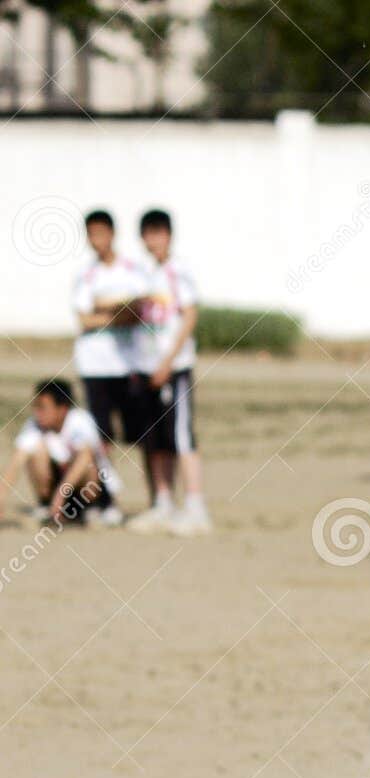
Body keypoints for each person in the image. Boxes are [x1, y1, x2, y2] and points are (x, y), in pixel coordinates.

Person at [125, 208, 208, 536]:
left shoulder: (178, 272)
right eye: (149, 233)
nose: (154, 239)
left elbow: (189, 317)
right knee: (153, 439)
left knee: (182, 437)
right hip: (144, 367)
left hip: (174, 369)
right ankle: (162, 502)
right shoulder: (143, 275)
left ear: (169, 235)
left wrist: (168, 361)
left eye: (160, 233)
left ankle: (195, 506)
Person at [71, 210, 148, 455]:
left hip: (127, 364)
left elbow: (138, 311)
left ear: (112, 234)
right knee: (100, 435)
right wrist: (118, 312)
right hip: (94, 366)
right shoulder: (86, 275)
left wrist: (102, 307)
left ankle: (156, 492)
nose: (96, 240)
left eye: (100, 234)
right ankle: (104, 490)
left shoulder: (132, 270)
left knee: (140, 433)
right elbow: (84, 319)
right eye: (91, 235)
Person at [2, 380, 123, 527]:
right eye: (36, 407)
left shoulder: (80, 420)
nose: (37, 413)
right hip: (59, 495)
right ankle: (46, 506)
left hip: (90, 491)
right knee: (36, 452)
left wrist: (60, 495)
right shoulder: (34, 425)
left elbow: (86, 456)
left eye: (43, 408)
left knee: (86, 459)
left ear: (63, 408)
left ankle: (95, 508)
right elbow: (17, 460)